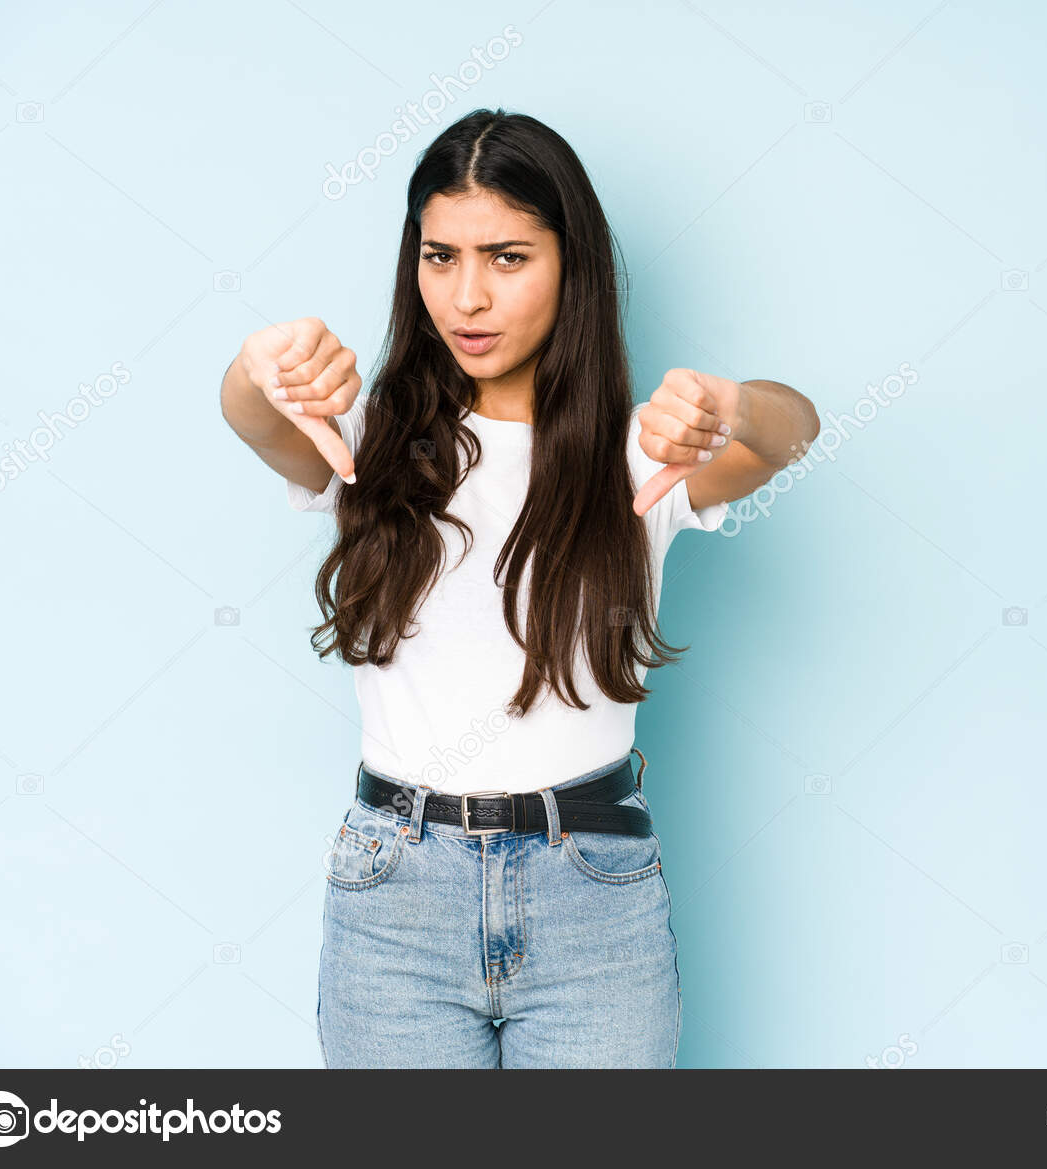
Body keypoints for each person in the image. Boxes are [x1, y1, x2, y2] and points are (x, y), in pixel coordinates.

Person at [218, 108, 819, 1068]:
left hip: (595, 888)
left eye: (506, 257)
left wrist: (731, 405)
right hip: (395, 891)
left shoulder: (639, 456)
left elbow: (793, 432)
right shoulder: (365, 439)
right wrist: (258, 369)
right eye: (439, 256)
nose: (466, 296)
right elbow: (253, 418)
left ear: (568, 263)